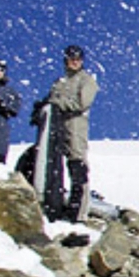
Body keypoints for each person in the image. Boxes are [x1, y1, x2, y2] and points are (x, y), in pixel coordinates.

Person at [46, 44, 99, 222]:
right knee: (56, 164)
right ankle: (59, 204)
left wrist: (58, 103)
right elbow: (52, 99)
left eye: (78, 59)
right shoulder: (60, 81)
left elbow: (81, 103)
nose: (75, 62)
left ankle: (79, 212)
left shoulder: (86, 80)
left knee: (78, 165)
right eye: (71, 59)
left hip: (75, 127)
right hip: (58, 127)